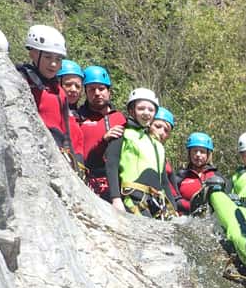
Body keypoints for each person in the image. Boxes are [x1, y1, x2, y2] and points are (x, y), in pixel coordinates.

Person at [16, 25, 84, 175]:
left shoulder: (59, 91)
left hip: (59, 157)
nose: (53, 64)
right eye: (47, 57)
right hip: (34, 155)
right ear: (33, 54)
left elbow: (69, 128)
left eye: (58, 59)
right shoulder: (22, 81)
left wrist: (77, 161)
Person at [104, 88, 177, 218]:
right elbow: (111, 165)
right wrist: (115, 198)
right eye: (141, 108)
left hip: (157, 203)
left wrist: (174, 209)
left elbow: (164, 181)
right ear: (132, 110)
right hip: (133, 199)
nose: (146, 113)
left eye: (151, 109)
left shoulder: (157, 145)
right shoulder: (122, 134)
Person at [77, 65, 126, 199]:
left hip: (119, 182)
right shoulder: (78, 118)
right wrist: (103, 140)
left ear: (109, 91)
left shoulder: (120, 118)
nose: (97, 93)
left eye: (101, 88)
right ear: (86, 92)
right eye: (92, 89)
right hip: (91, 181)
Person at [173, 132, 219, 215]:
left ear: (208, 154)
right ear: (189, 153)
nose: (198, 154)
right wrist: (192, 206)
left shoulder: (216, 176)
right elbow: (173, 199)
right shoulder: (180, 176)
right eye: (194, 151)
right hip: (185, 221)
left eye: (202, 151)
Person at [148, 107, 184, 212]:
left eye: (166, 130)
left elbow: (170, 187)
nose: (161, 132)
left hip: (162, 203)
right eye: (158, 126)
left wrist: (174, 209)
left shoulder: (163, 157)